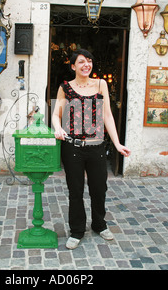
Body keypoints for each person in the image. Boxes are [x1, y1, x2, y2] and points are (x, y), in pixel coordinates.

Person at [52, 49, 131, 250]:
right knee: (75, 191)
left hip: (96, 145)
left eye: (89, 61)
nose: (86, 65)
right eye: (81, 62)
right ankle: (77, 231)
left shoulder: (100, 84)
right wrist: (58, 128)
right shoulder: (65, 87)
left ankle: (99, 225)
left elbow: (108, 116)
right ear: (73, 66)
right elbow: (56, 115)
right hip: (73, 147)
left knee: (99, 189)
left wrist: (117, 143)